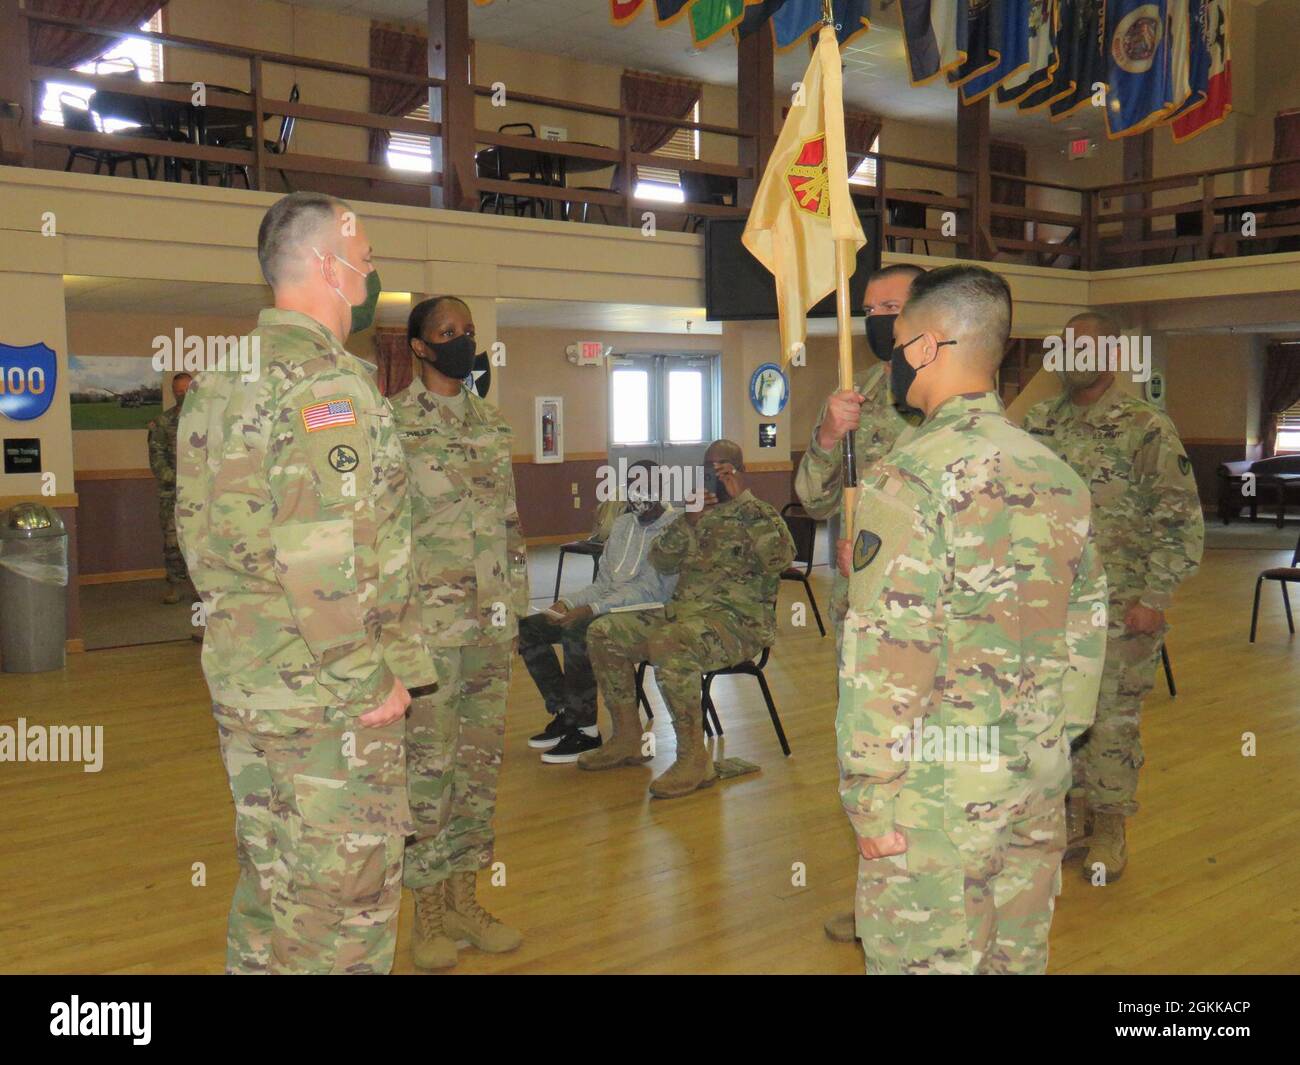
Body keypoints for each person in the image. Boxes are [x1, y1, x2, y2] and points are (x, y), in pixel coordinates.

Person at [176, 191, 434, 975]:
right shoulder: (329, 388)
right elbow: (320, 556)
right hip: (328, 707)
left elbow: (201, 534)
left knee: (273, 893)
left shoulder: (218, 384)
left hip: (250, 687)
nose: (371, 271)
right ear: (328, 265)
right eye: (363, 254)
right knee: (346, 916)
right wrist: (369, 680)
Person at [838, 265, 1108, 974]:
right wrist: (1047, 741)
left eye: (897, 342)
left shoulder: (910, 476)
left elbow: (887, 659)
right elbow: (1087, 631)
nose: (892, 358)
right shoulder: (1058, 475)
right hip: (1035, 775)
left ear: (926, 347)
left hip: (937, 797)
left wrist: (870, 797)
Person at [1022, 312, 1203, 881]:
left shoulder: (1145, 426)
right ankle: (1071, 821)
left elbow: (1180, 519)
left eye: (1091, 348)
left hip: (1121, 606)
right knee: (1054, 718)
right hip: (1047, 607)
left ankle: (1108, 829)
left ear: (1113, 356)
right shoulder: (1036, 424)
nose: (1080, 358)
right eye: (1070, 348)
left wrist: (1156, 595)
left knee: (1110, 722)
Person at [389, 294, 528, 971]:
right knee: (428, 773)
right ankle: (429, 914)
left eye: (468, 331)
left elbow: (507, 526)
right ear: (417, 346)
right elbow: (379, 536)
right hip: (429, 635)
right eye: (447, 332)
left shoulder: (491, 423)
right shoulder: (391, 424)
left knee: (478, 769)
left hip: (489, 630)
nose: (461, 342)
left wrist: (517, 606)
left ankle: (467, 900)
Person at [794, 262, 923, 945]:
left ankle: (925, 911)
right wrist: (824, 434)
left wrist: (884, 548)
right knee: (869, 768)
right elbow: (814, 499)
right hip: (861, 629)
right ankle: (878, 898)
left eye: (890, 306)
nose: (875, 320)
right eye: (867, 308)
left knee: (930, 775)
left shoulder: (953, 408)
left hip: (933, 637)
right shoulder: (862, 397)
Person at [580, 440, 795, 799]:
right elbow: (661, 561)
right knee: (605, 632)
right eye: (712, 467)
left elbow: (781, 560)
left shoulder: (760, 513)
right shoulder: (694, 512)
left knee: (671, 643)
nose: (718, 473)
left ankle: (694, 759)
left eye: (726, 466)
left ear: (743, 472)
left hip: (737, 625)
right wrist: (689, 521)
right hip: (684, 616)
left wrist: (742, 501)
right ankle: (627, 739)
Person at [521, 459, 679, 764]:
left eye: (647, 487)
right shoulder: (622, 526)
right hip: (607, 606)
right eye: (633, 487)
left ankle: (586, 729)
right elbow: (603, 582)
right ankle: (566, 711)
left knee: (580, 629)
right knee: (530, 628)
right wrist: (568, 602)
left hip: (647, 611)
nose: (639, 495)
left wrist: (590, 609)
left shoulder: (673, 530)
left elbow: (649, 589)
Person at [147, 371, 193, 605]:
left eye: (188, 390)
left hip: (203, 496)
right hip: (172, 493)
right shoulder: (163, 423)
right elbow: (157, 458)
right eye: (179, 392)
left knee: (200, 544)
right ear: (173, 393)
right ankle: (175, 585)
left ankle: (202, 588)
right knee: (172, 542)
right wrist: (178, 480)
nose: (183, 395)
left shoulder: (210, 423)